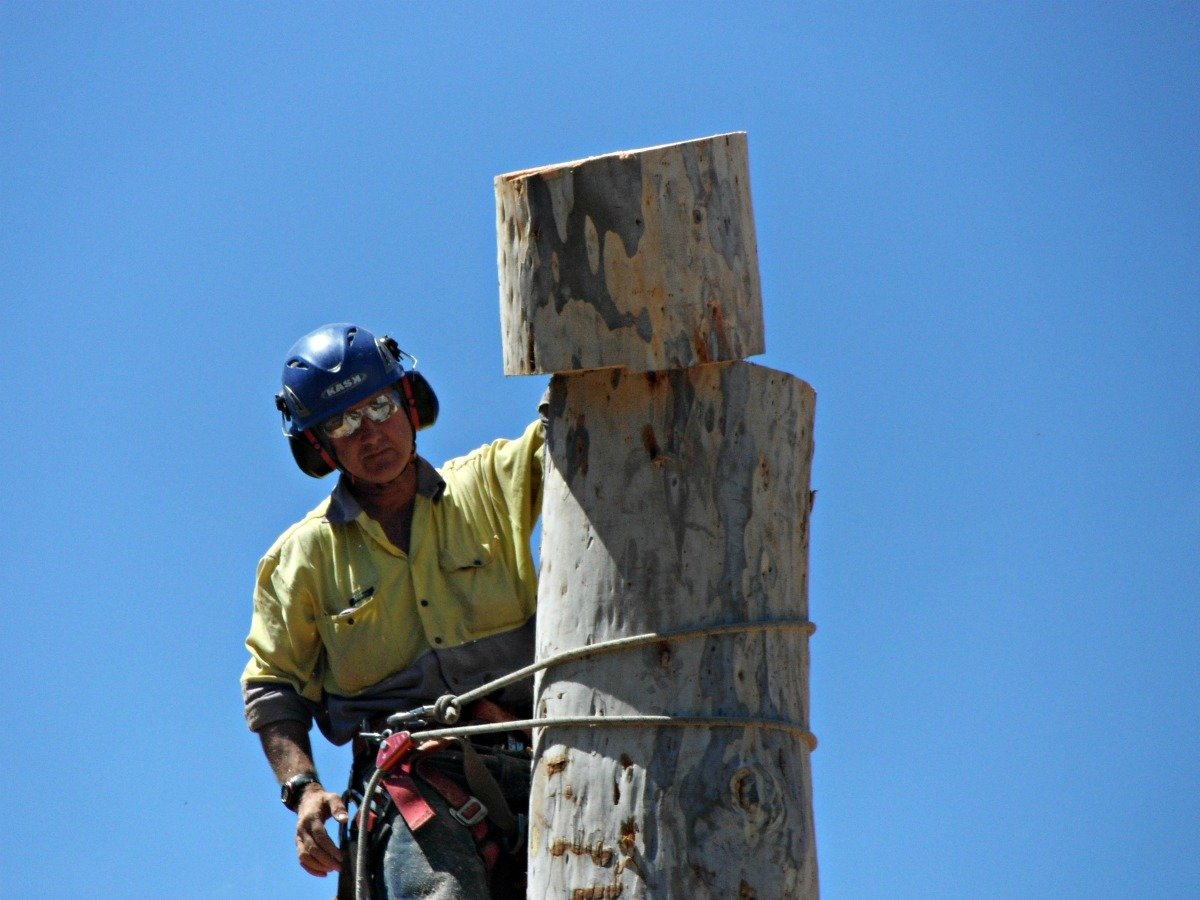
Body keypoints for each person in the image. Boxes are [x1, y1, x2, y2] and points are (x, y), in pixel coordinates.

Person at [241, 322, 544, 898]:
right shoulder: (302, 558)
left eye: (379, 406)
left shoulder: (490, 482)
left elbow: (580, 424)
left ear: (410, 402)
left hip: (545, 754)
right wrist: (304, 789)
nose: (370, 433)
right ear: (319, 446)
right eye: (342, 422)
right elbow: (272, 685)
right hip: (417, 783)